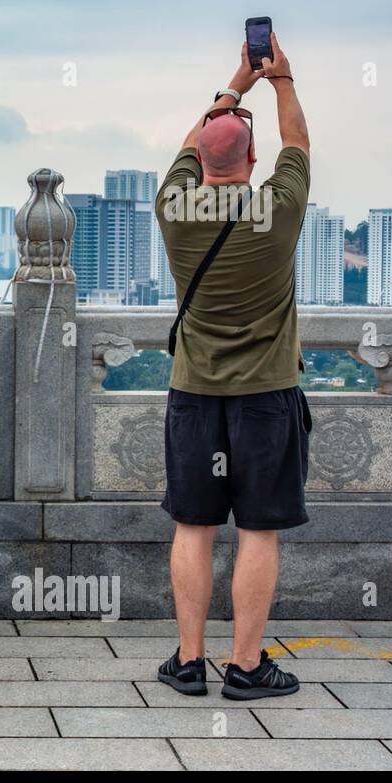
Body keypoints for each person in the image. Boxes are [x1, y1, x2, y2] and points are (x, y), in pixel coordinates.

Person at [155, 34, 311, 698]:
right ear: (253, 158)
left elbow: (193, 145)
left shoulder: (174, 207)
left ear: (198, 163)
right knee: (259, 530)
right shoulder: (277, 208)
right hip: (267, 395)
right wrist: (281, 80)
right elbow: (298, 145)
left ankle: (189, 661)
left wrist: (234, 85)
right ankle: (246, 667)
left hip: (195, 395)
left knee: (193, 526)